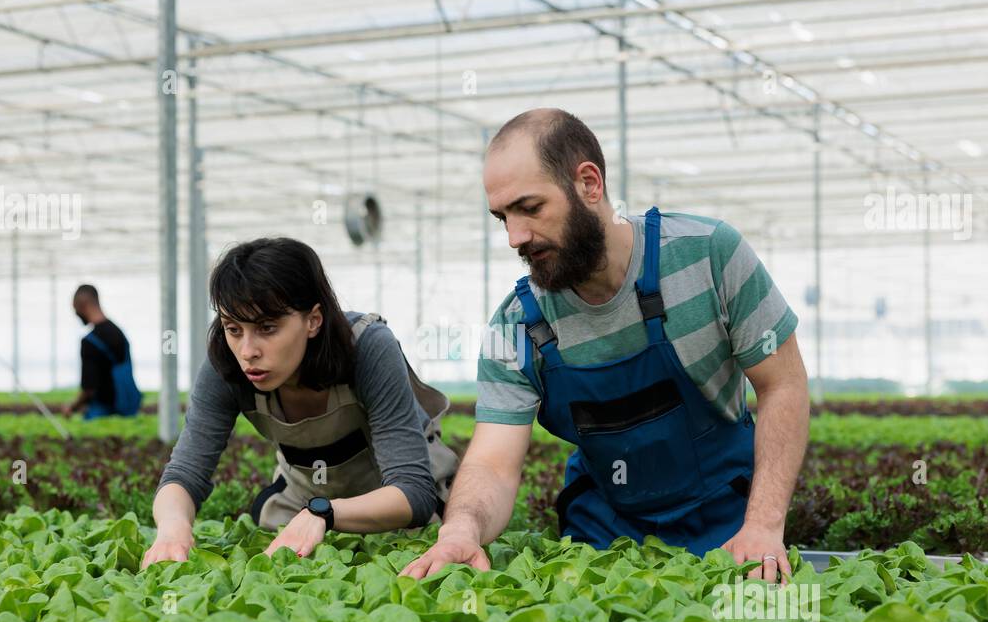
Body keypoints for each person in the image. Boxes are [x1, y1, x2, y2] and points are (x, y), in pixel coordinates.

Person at [402, 108, 810, 585]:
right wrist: (460, 529)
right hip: (603, 539)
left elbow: (783, 385)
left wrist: (762, 525)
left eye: (530, 208)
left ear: (589, 184)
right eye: (502, 217)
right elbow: (492, 462)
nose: (515, 237)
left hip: (726, 524)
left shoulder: (709, 255)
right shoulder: (517, 323)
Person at [142, 237, 460, 567]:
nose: (247, 350)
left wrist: (324, 512)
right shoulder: (225, 362)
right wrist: (172, 527)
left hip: (394, 505)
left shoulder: (368, 348)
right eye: (233, 328)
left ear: (313, 320)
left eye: (267, 327)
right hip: (303, 501)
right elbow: (185, 473)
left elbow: (414, 492)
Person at [63, 284, 141, 419]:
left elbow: (89, 389)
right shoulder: (119, 334)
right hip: (126, 409)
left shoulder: (89, 342)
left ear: (83, 305)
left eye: (76, 309)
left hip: (101, 411)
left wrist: (73, 406)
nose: (77, 314)